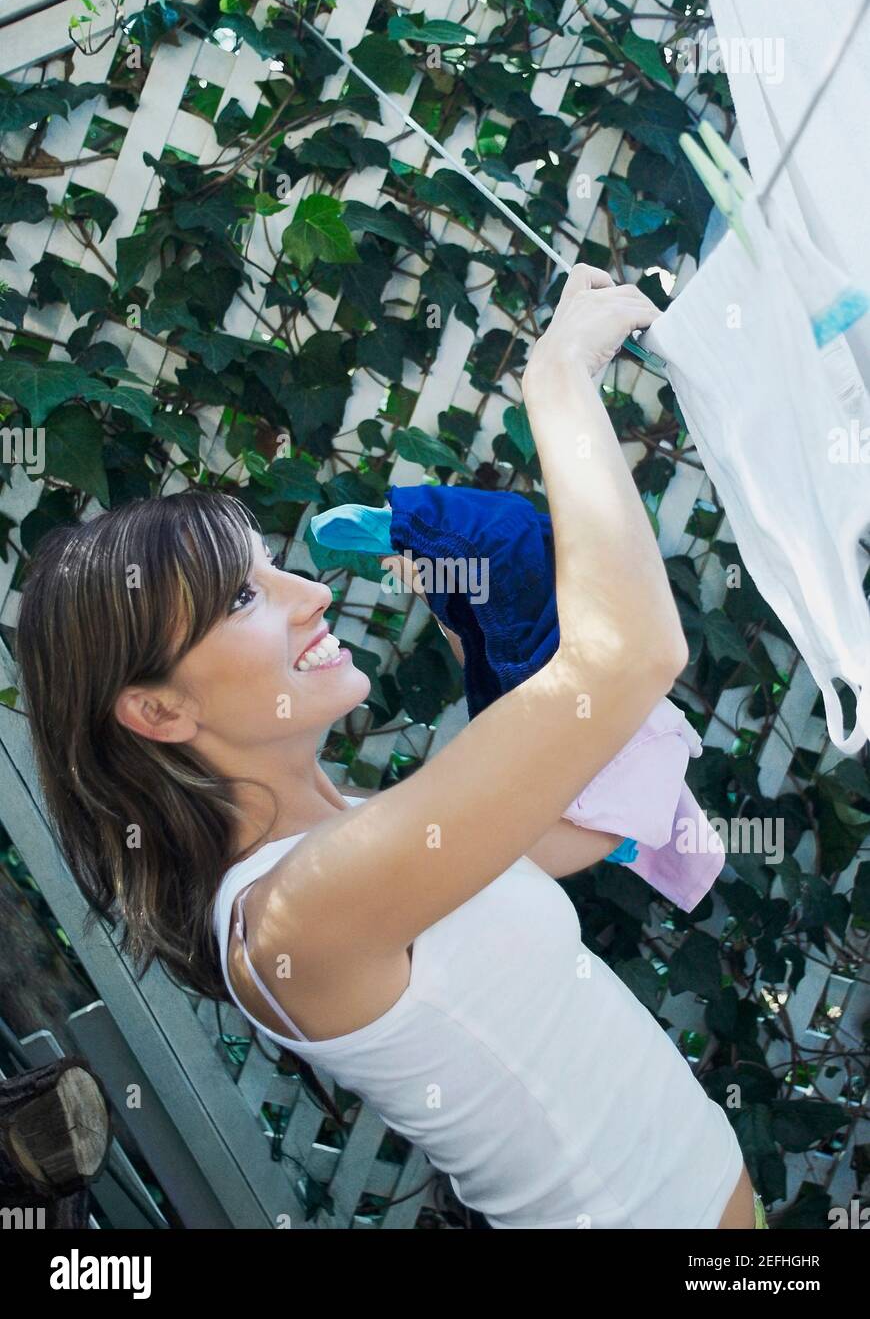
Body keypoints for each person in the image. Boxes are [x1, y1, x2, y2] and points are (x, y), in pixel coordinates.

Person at [14, 264, 763, 1229]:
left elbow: (584, 818)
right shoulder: (291, 918)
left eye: (274, 569)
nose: (311, 595)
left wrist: (507, 654)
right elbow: (632, 658)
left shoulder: (369, 836)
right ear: (157, 713)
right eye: (245, 598)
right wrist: (559, 379)